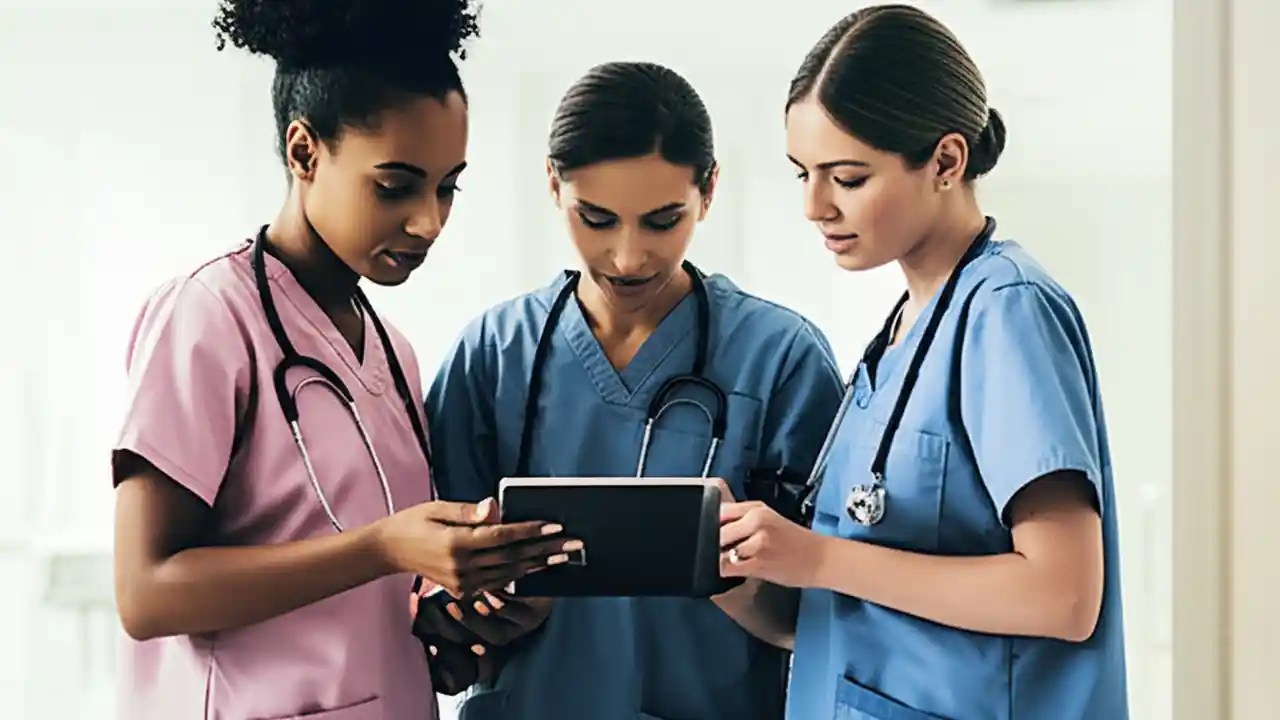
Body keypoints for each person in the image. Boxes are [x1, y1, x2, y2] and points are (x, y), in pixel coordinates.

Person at [109, 2, 576, 718]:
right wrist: (384, 549)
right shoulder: (207, 316)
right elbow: (147, 594)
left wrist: (454, 625)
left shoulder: (393, 353)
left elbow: (368, 604)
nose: (428, 221)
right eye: (394, 186)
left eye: (447, 186)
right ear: (304, 152)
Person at [716, 5, 1129, 719]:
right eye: (802, 174)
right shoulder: (903, 333)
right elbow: (856, 618)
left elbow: (1063, 595)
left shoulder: (1007, 310)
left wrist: (817, 556)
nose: (815, 206)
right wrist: (736, 565)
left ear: (945, 161)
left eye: (847, 177)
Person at [417, 61, 845, 719]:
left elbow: (825, 615)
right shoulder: (494, 354)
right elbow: (431, 588)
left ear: (709, 191)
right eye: (595, 218)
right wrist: (480, 607)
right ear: (553, 184)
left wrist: (729, 568)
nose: (627, 257)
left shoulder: (780, 358)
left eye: (662, 220)